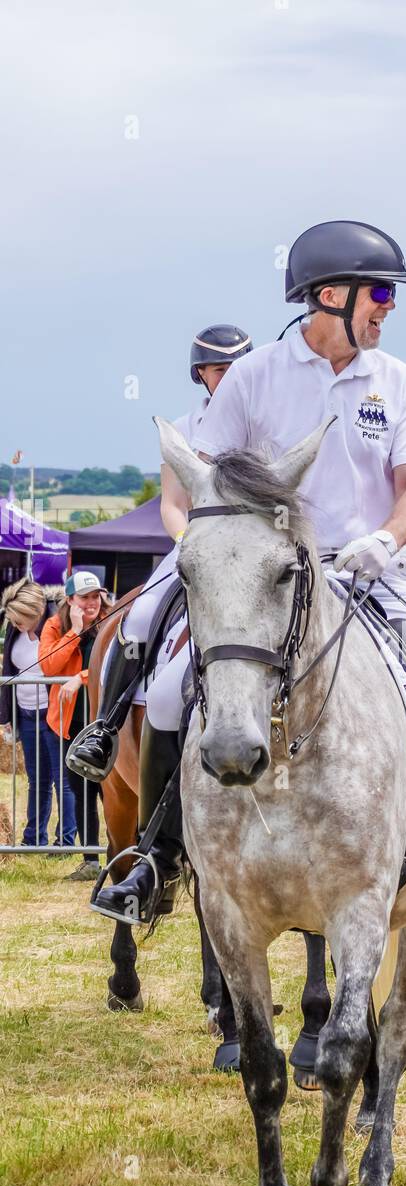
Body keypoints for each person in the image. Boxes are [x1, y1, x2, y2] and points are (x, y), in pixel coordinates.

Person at [92, 221, 406, 942]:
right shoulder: (257, 375)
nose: (389, 306)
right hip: (270, 578)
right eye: (380, 292)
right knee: (167, 694)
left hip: (367, 571)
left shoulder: (397, 380)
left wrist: (385, 538)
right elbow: (204, 475)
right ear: (330, 294)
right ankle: (156, 860)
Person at [67, 324, 254, 785]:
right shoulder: (184, 430)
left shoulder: (266, 425)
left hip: (255, 551)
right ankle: (105, 728)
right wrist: (191, 540)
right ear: (201, 374)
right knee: (138, 615)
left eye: (237, 370)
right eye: (218, 370)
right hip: (195, 546)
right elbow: (172, 504)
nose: (228, 378)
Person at [38, 572, 113, 873]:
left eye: (96, 596)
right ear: (69, 600)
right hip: (71, 724)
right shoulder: (55, 626)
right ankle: (90, 861)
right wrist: (76, 632)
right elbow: (47, 666)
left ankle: (123, 854)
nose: (92, 602)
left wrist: (80, 678)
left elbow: (111, 664)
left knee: (112, 792)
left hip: (106, 721)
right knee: (82, 792)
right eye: (85, 597)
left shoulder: (112, 621)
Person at [1, 579, 57, 847]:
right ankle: (34, 838)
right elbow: (8, 673)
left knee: (64, 781)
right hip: (25, 713)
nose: (14, 626)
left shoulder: (54, 625)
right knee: (38, 781)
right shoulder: (16, 631)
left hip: (52, 713)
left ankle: (66, 842)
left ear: (34, 613)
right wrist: (6, 716)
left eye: (19, 620)